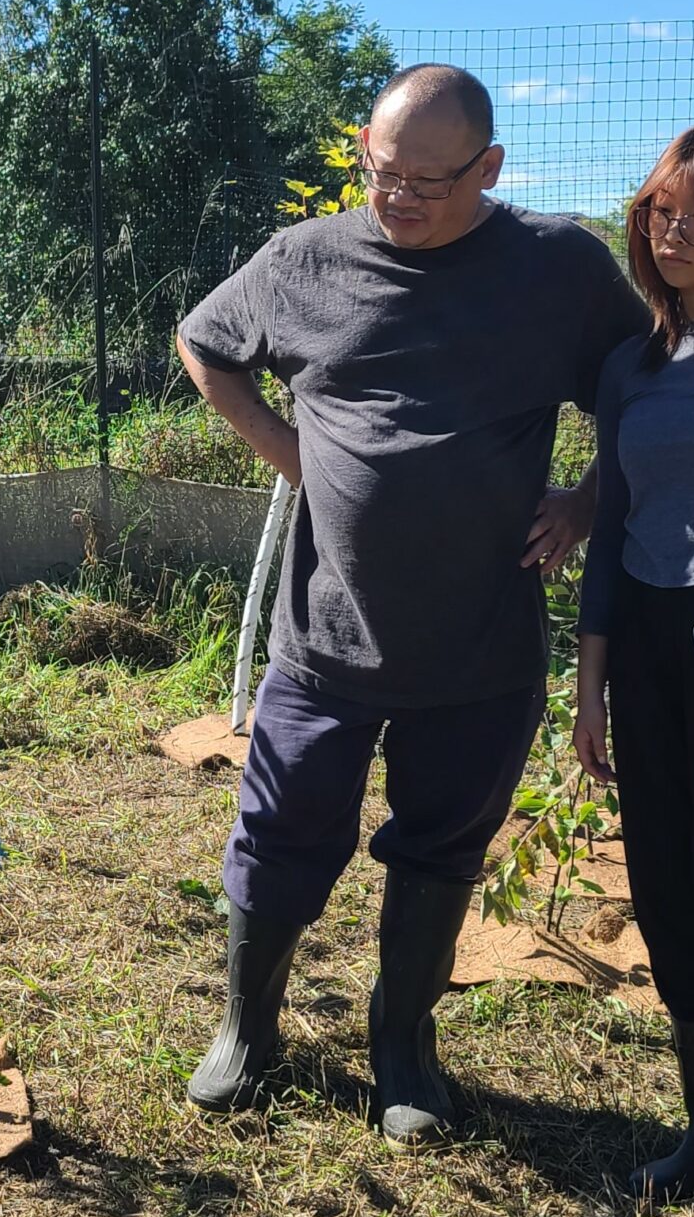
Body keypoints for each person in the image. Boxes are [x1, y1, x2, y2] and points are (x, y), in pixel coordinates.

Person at [175, 63, 647, 1148]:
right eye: (382, 173)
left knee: (440, 844)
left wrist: (584, 497)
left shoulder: (554, 268)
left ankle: (403, 1045)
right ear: (362, 149)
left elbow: (641, 380)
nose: (398, 200)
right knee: (279, 831)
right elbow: (205, 343)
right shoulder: (302, 259)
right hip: (323, 635)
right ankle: (247, 1028)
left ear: (488, 168)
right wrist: (285, 451)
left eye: (428, 184)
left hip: (479, 646)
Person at [573, 122, 694, 1200]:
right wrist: (586, 682)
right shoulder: (628, 367)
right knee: (665, 876)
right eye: (660, 209)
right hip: (644, 638)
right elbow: (610, 518)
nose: (672, 231)